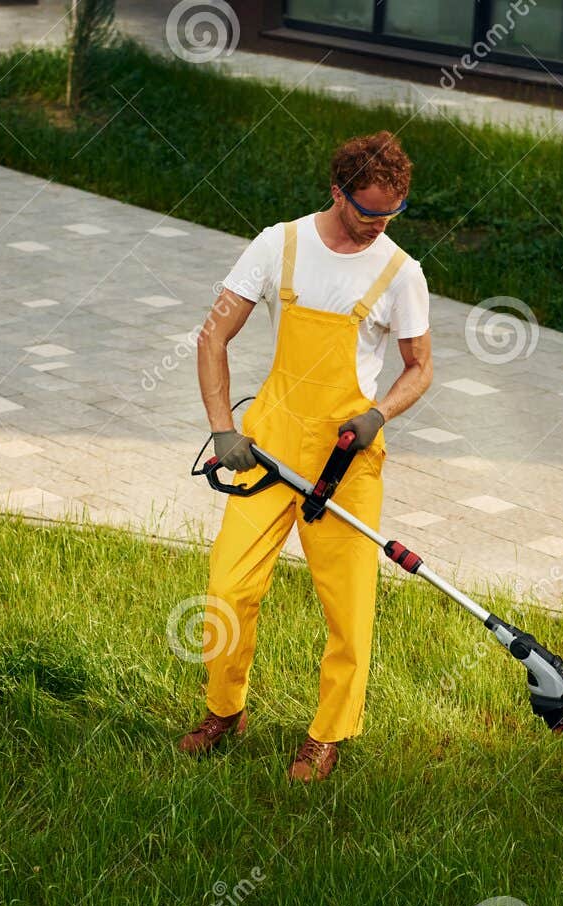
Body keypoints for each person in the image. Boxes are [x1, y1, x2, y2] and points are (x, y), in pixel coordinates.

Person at [184, 130, 433, 782]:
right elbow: (213, 336)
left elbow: (420, 368)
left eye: (391, 214)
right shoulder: (280, 244)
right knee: (229, 587)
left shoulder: (401, 273)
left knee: (349, 609)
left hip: (345, 461)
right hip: (267, 449)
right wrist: (222, 430)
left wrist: (379, 412)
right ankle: (224, 709)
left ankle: (327, 734)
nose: (378, 225)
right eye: (367, 211)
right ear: (337, 191)